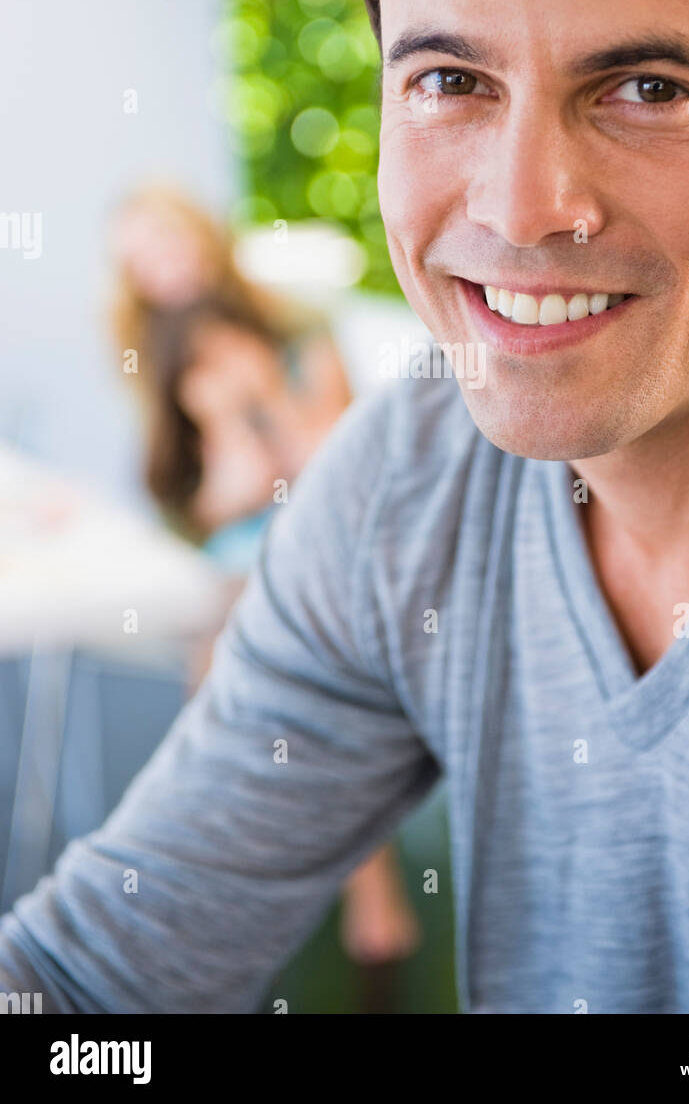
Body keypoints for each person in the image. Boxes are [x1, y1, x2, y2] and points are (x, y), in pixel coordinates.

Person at [2, 0, 689, 1014]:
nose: (522, 208)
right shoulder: (410, 476)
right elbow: (88, 977)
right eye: (452, 78)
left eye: (646, 87)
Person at [108, 187, 422, 974]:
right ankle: (253, 892)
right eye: (138, 258)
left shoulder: (296, 326)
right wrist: (226, 443)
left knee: (302, 677)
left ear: (202, 233)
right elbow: (194, 507)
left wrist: (262, 402)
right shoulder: (155, 359)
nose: (160, 265)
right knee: (226, 691)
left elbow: (341, 461)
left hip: (319, 539)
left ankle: (368, 899)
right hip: (237, 559)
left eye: (164, 240)